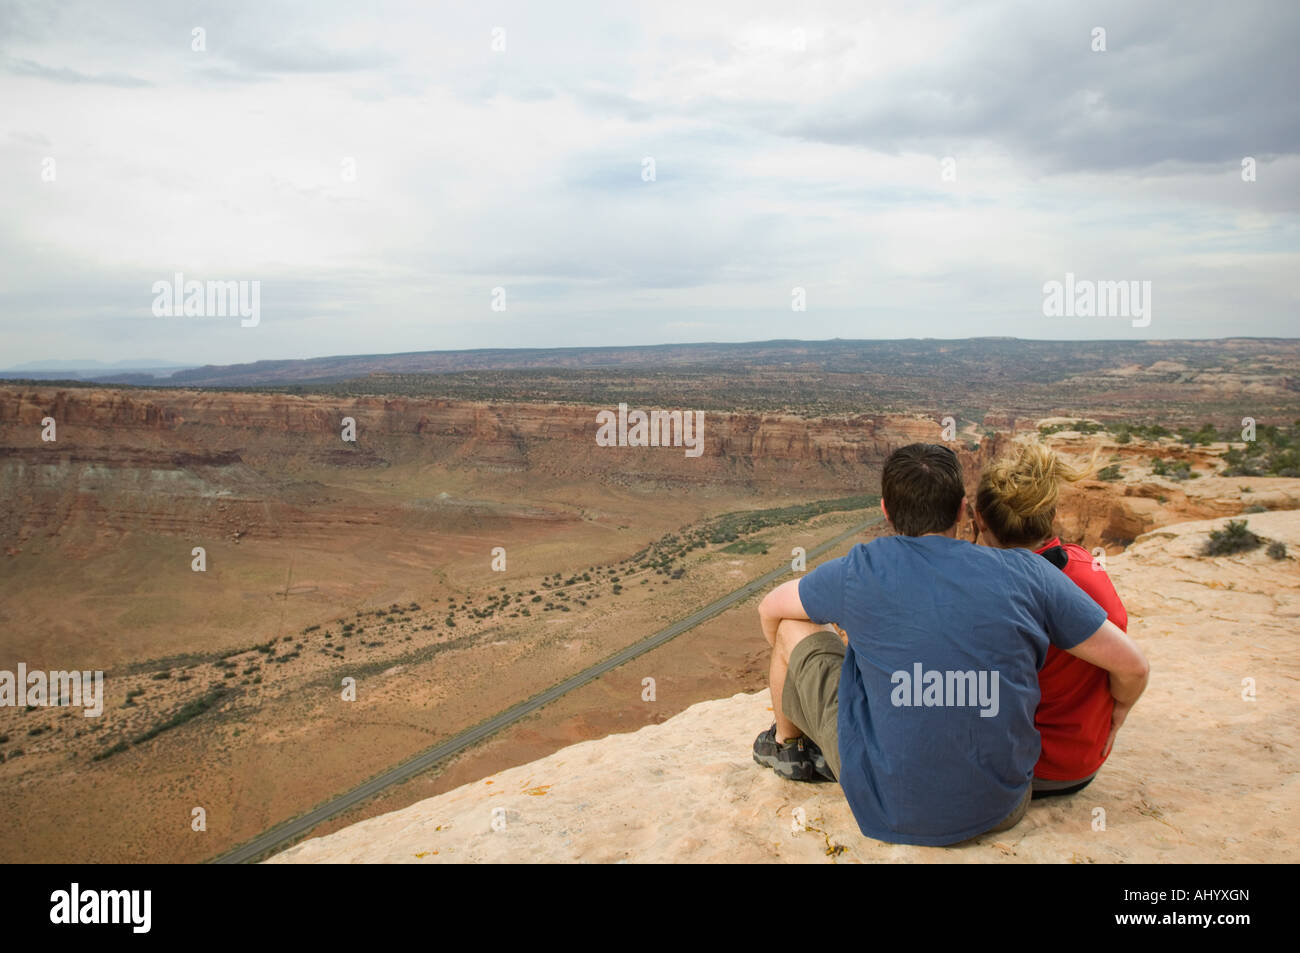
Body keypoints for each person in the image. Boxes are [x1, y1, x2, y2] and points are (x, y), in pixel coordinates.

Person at [752, 443, 1149, 846]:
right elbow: (1134, 666)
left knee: (791, 627)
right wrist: (1116, 715)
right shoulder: (1029, 571)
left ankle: (788, 747)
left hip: (885, 804)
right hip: (1003, 806)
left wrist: (808, 681)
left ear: (886, 510)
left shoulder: (861, 567)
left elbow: (770, 609)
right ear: (962, 510)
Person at [972, 441, 1127, 798]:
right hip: (1082, 767)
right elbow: (1129, 667)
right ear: (1051, 514)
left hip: (1029, 770)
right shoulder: (1085, 568)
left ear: (979, 519)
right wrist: (1118, 714)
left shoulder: (996, 595)